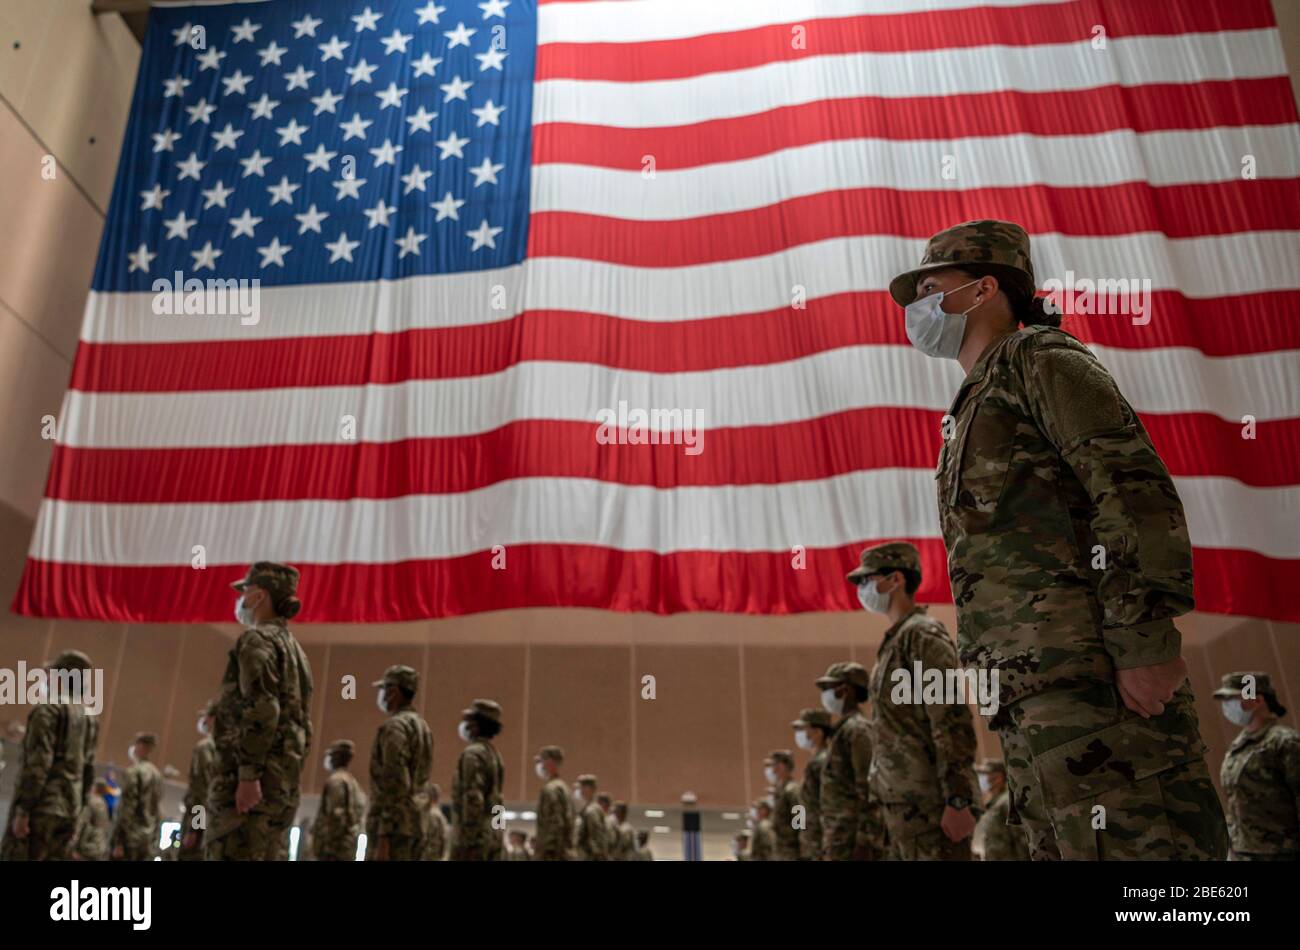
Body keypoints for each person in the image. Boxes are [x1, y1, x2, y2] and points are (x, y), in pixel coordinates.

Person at [891, 219, 1227, 860]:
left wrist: (1143, 642)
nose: (918, 308)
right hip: (1035, 700)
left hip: (1098, 683)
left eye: (932, 287)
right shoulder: (975, 401)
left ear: (984, 288)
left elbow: (1133, 493)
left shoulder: (1039, 360)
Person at [849, 540, 979, 859]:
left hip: (930, 806)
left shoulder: (921, 635)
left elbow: (949, 718)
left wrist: (958, 798)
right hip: (902, 807)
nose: (863, 588)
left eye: (868, 579)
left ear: (896, 579)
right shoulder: (895, 642)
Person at [207, 562, 314, 861]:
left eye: (246, 591)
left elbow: (262, 707)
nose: (241, 598)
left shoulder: (257, 640)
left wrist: (248, 774)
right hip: (279, 790)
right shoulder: (296, 653)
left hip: (247, 792)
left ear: (260, 597)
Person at [3, 650, 97, 861]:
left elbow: (38, 764)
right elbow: (88, 771)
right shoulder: (90, 718)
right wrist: (78, 817)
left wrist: (23, 810)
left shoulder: (48, 710)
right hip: (70, 811)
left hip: (41, 808)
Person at [1213, 672, 1299, 860]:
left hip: (1282, 853)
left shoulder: (1284, 743)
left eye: (1233, 699)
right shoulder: (1238, 747)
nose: (1227, 706)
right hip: (1245, 854)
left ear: (1257, 700)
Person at [816, 662, 886, 859]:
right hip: (840, 840)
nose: (825, 695)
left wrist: (865, 841)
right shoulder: (843, 731)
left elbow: (869, 788)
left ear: (845, 690)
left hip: (852, 842)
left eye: (828, 688)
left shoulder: (857, 731)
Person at [367, 666, 433, 861]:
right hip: (415, 826)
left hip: (394, 832)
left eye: (384, 689)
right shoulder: (422, 727)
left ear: (394, 691)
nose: (381, 695)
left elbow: (394, 784)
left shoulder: (395, 727)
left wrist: (383, 837)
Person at [450, 699, 506, 860]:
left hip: (474, 840)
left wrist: (470, 843)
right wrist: (498, 832)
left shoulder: (472, 754)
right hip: (492, 836)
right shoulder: (495, 755)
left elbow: (473, 798)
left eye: (468, 722)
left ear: (475, 726)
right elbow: (498, 801)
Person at [313, 739, 367, 861]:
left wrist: (330, 848)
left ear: (336, 757)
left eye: (330, 756)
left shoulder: (336, 781)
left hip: (334, 850)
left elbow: (336, 815)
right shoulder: (352, 782)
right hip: (347, 848)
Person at [111, 732, 162, 861]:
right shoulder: (157, 775)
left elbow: (127, 808)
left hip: (131, 838)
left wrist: (119, 840)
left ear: (141, 746)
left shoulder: (134, 772)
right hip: (148, 839)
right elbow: (157, 809)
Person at [791, 708, 831, 861]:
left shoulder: (823, 761)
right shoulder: (816, 761)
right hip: (814, 841)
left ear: (818, 732)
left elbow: (828, 803)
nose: (799, 734)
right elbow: (803, 806)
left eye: (803, 729)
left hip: (821, 840)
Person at [180, 699, 217, 861]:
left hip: (201, 824)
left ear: (214, 719)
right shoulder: (232, 747)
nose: (204, 721)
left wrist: (194, 829)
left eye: (206, 717)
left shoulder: (205, 748)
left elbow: (200, 792)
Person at [971, 760, 1029, 861]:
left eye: (985, 775)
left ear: (998, 777)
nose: (981, 779)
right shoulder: (991, 804)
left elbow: (1022, 839)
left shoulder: (1008, 801)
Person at [534, 744, 574, 861]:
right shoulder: (564, 788)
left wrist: (545, 854)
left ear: (550, 762)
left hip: (552, 855)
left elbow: (554, 825)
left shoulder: (550, 789)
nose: (539, 766)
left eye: (541, 761)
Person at [766, 751, 802, 861]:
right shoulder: (780, 790)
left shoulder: (792, 790)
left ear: (781, 766)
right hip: (781, 849)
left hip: (791, 851)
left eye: (773, 765)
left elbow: (800, 822)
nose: (771, 770)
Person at [72, 779, 112, 861]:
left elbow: (81, 823)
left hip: (88, 846)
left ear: (94, 788)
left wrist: (73, 846)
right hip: (100, 846)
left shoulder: (92, 802)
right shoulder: (104, 803)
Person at [573, 774, 609, 861]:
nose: (578, 791)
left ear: (588, 789)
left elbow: (596, 840)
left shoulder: (592, 811)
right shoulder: (589, 808)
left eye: (580, 787)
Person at [423, 784, 449, 860]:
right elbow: (444, 837)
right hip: (434, 853)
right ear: (437, 797)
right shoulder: (439, 815)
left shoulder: (422, 813)